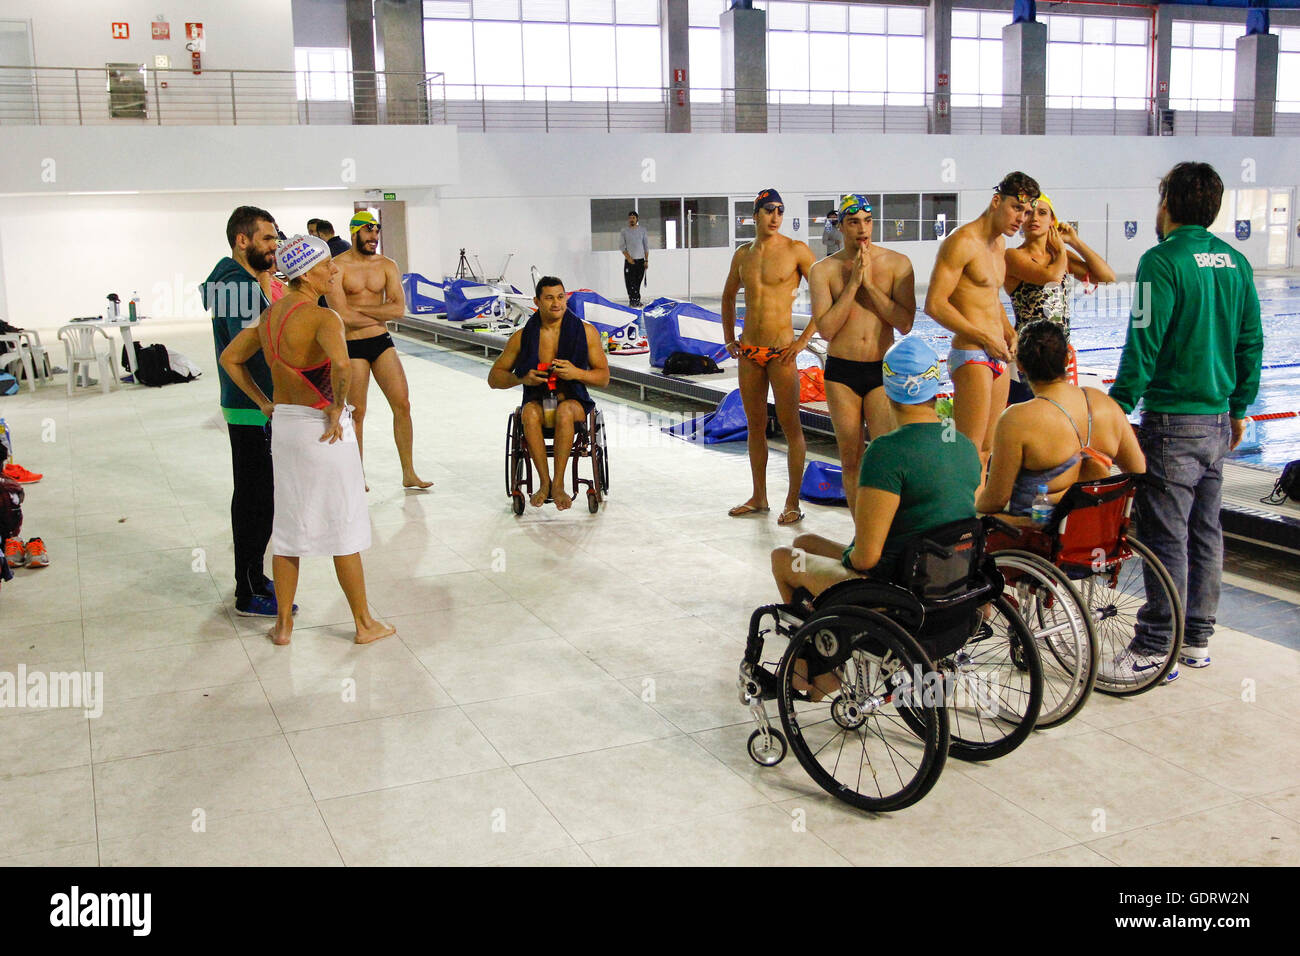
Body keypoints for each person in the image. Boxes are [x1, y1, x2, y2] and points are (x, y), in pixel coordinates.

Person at [1108, 162, 1263, 677]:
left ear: (1168, 202)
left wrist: (1119, 403)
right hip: (1218, 419)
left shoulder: (1161, 261)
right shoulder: (1237, 264)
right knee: (1205, 531)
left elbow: (1143, 339)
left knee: (1164, 534)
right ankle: (1196, 637)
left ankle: (1156, 645)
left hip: (1173, 422)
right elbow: (1250, 342)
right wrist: (1240, 406)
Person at [219, 235, 395, 647]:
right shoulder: (323, 318)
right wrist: (336, 407)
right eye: (327, 266)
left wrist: (264, 403)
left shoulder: (270, 316)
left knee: (289, 529)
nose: (334, 272)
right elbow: (340, 365)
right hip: (321, 428)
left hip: (286, 427)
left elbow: (230, 358)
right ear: (307, 272)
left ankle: (283, 625)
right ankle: (364, 624)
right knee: (344, 525)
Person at [770, 338, 981, 637]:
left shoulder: (886, 452)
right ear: (935, 388)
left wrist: (850, 558)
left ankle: (820, 666)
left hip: (894, 590)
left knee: (783, 557)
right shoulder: (962, 444)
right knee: (804, 544)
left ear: (888, 389)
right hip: (944, 577)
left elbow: (866, 558)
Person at [204, 205, 293, 618]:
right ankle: (247, 588)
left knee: (259, 497)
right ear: (243, 240)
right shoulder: (237, 285)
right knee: (256, 500)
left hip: (253, 406)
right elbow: (235, 356)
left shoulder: (237, 279)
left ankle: (253, 579)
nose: (275, 246)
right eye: (268, 238)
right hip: (251, 407)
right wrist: (262, 401)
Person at [925, 171, 1039, 471]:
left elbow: (990, 298)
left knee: (988, 450)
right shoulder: (962, 242)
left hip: (998, 354)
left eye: (1027, 212)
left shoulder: (999, 245)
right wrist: (985, 338)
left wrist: (1009, 331)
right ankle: (963, 516)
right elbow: (935, 304)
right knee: (968, 450)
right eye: (1017, 208)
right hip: (973, 353)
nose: (1022, 219)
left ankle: (977, 514)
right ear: (996, 200)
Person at [808, 193, 916, 509]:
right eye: (853, 222)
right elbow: (827, 330)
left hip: (882, 369)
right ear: (840, 226)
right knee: (850, 457)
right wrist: (854, 283)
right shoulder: (823, 271)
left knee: (884, 456)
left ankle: (886, 531)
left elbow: (905, 323)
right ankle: (861, 534)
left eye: (867, 221)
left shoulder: (898, 264)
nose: (862, 228)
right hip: (841, 371)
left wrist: (869, 285)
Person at [976, 319, 1144, 519]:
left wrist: (971, 503)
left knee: (976, 517)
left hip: (1037, 535)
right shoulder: (1105, 404)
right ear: (1067, 359)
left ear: (1019, 365)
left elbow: (996, 500)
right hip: (1098, 529)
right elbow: (1138, 471)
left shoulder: (1016, 419)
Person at [722, 188, 817, 526]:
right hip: (749, 352)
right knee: (756, 426)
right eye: (769, 210)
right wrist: (728, 339)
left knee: (793, 428)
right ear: (756, 215)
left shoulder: (796, 251)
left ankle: (792, 502)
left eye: (780, 210)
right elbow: (728, 296)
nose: (775, 217)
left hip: (782, 353)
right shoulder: (743, 255)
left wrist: (804, 340)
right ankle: (759, 496)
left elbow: (825, 296)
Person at [325, 210, 432, 490]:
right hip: (352, 345)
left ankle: (409, 472)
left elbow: (399, 309)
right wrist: (379, 313)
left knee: (403, 405)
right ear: (354, 232)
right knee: (357, 413)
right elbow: (341, 314)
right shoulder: (337, 267)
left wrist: (357, 309)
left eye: (377, 231)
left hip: (381, 343)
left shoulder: (387, 265)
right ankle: (356, 475)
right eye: (368, 231)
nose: (374, 236)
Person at [488, 276, 611, 510]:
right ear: (536, 301)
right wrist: (521, 378)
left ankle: (558, 484)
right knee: (529, 414)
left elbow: (603, 377)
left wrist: (577, 373)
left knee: (565, 411)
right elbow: (494, 378)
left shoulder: (585, 332)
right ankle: (544, 483)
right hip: (538, 402)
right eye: (549, 298)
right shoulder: (523, 337)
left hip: (573, 403)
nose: (556, 303)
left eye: (561, 297)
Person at [1004, 194, 1117, 404]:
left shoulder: (1059, 257)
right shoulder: (1013, 256)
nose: (1034, 218)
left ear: (1052, 221)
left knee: (1063, 412)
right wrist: (1062, 251)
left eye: (1042, 213)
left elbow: (1107, 277)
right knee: (1032, 415)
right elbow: (1052, 278)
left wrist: (1075, 241)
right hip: (1028, 352)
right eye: (1028, 213)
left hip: (1060, 351)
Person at [620, 211, 649, 308]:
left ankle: (636, 300)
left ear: (637, 219)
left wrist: (646, 260)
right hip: (629, 261)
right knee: (629, 282)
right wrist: (628, 258)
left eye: (633, 218)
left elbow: (646, 246)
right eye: (630, 218)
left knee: (637, 282)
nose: (631, 220)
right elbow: (622, 247)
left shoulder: (642, 230)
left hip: (640, 261)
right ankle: (632, 301)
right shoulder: (624, 231)